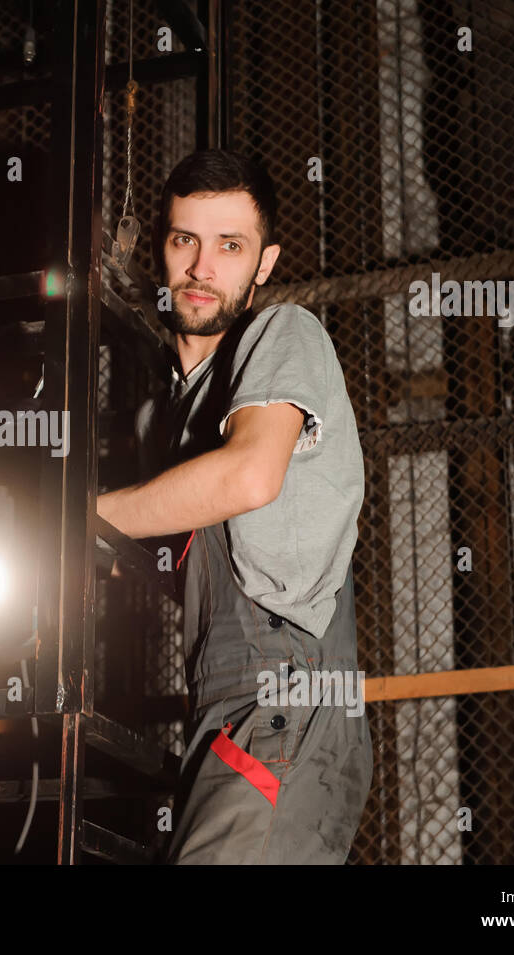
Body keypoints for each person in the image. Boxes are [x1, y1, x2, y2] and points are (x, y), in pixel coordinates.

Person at [96, 149, 372, 864]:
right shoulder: (161, 420)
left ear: (265, 261)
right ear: (161, 248)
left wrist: (83, 520)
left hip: (284, 701)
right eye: (185, 239)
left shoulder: (283, 333)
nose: (202, 266)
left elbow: (249, 476)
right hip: (221, 711)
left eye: (230, 245)